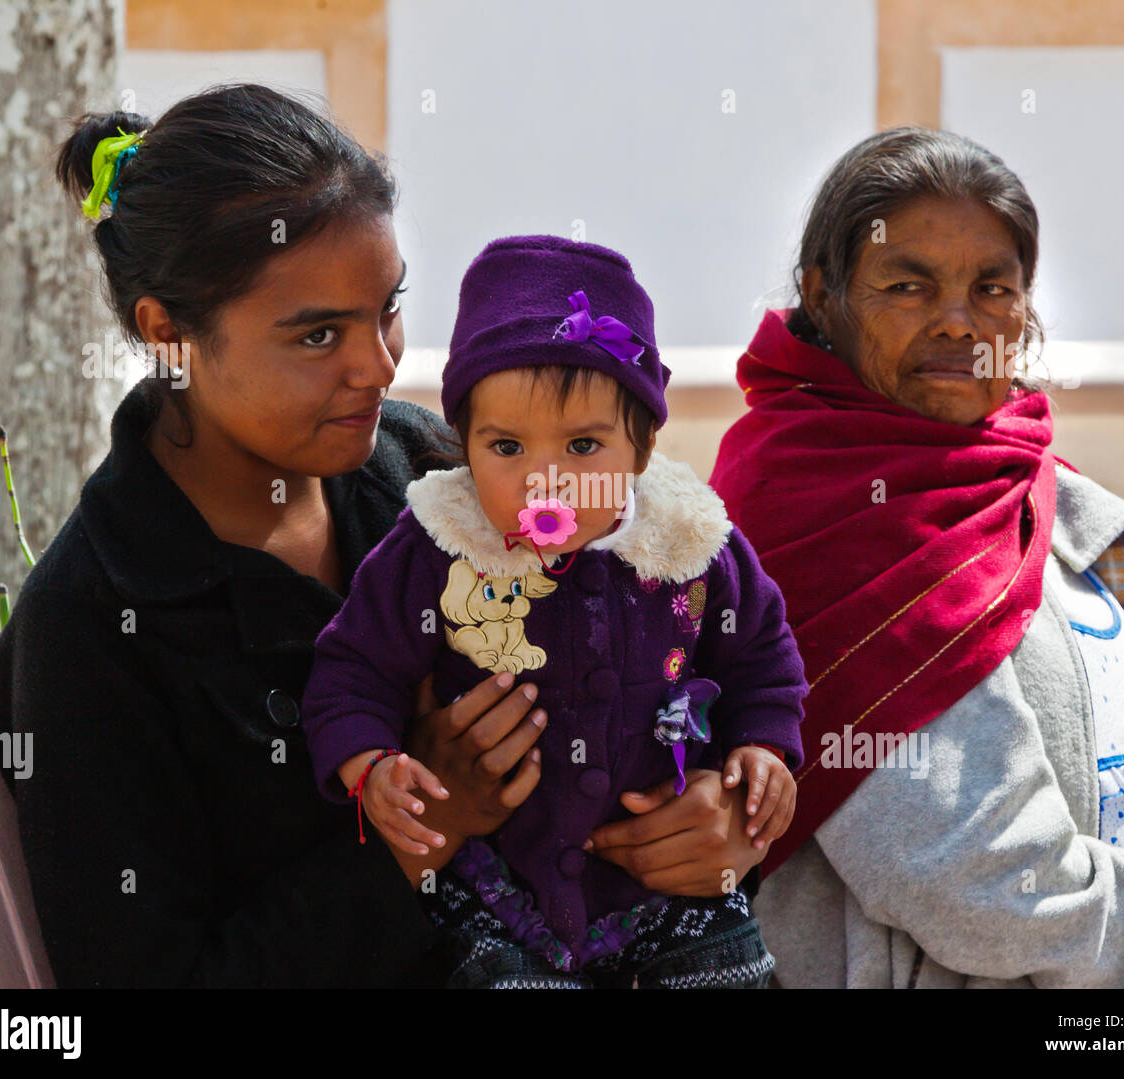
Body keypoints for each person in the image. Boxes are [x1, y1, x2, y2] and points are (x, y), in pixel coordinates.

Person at [0, 84, 773, 988]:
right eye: (318, 335)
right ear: (169, 334)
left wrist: (721, 812)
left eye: (386, 308)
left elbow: (679, 624)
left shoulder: (431, 475)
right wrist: (423, 831)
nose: (380, 362)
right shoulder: (95, 622)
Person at [710, 126, 1124, 988]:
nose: (959, 319)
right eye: (908, 285)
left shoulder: (1051, 491)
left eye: (993, 287)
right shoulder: (817, 515)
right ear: (823, 293)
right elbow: (994, 890)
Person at [300, 235, 808, 988]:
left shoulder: (690, 544)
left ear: (640, 448)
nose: (545, 481)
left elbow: (763, 661)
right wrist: (371, 766)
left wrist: (762, 750)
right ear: (465, 447)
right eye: (506, 445)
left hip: (667, 888)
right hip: (500, 890)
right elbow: (352, 669)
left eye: (581, 445)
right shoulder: (439, 547)